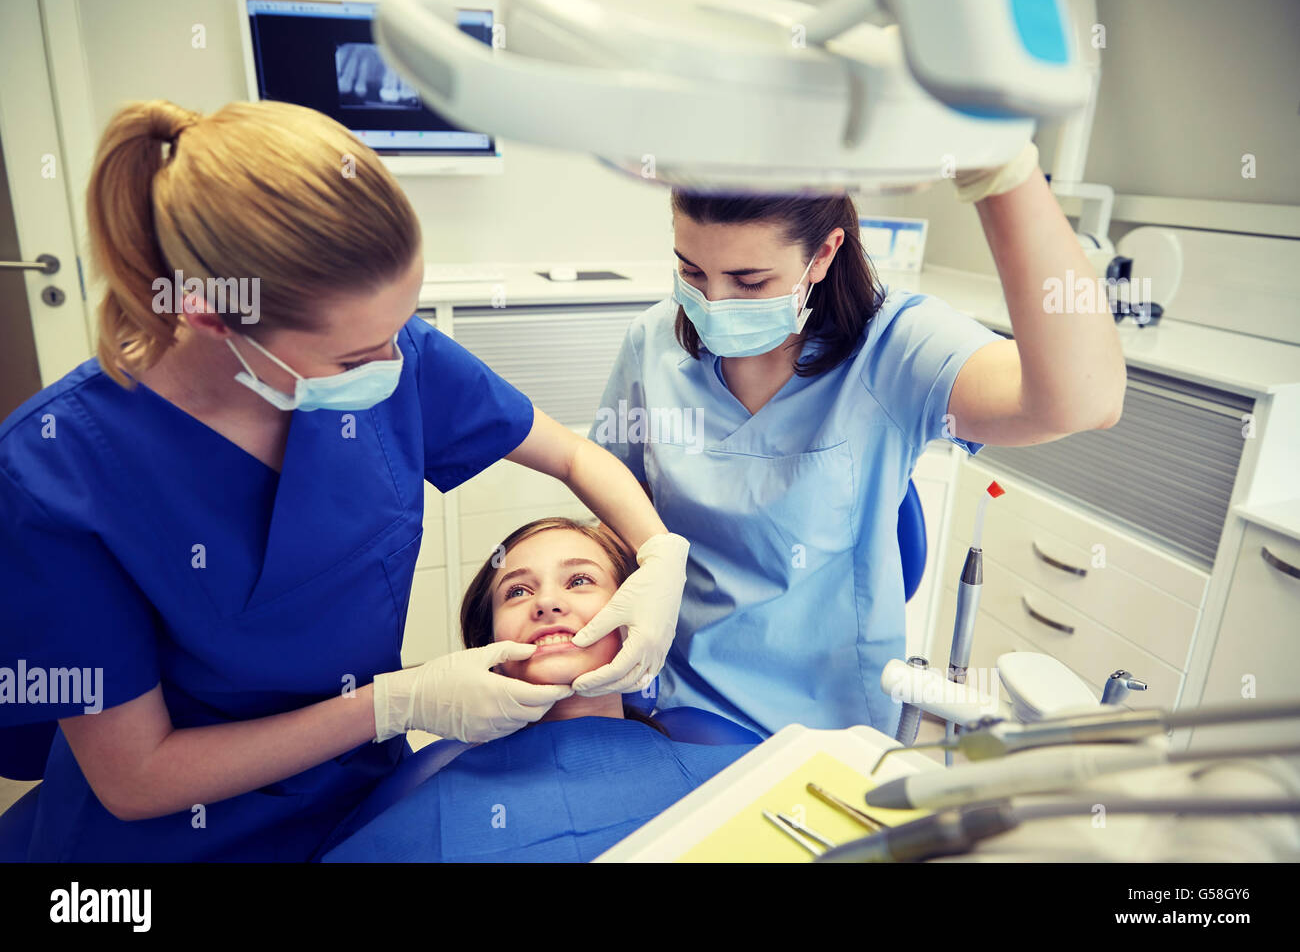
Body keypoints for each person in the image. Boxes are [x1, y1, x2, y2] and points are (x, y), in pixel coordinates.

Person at [0, 99, 688, 861]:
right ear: (209, 318)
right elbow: (135, 779)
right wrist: (402, 701)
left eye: (401, 327)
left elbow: (572, 455)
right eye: (357, 360)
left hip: (364, 798)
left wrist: (658, 554)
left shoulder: (390, 349)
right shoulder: (58, 475)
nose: (394, 367)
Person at [589, 143, 1128, 739]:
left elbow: (1083, 401)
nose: (712, 304)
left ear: (822, 255)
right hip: (665, 691)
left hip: (820, 720)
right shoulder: (653, 341)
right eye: (691, 271)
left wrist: (1006, 175)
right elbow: (613, 503)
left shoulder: (894, 347)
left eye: (749, 280)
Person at [318, 518, 759, 862]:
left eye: (579, 581)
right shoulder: (425, 801)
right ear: (487, 644)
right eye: (517, 591)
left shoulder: (731, 768)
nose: (546, 603)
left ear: (641, 618)